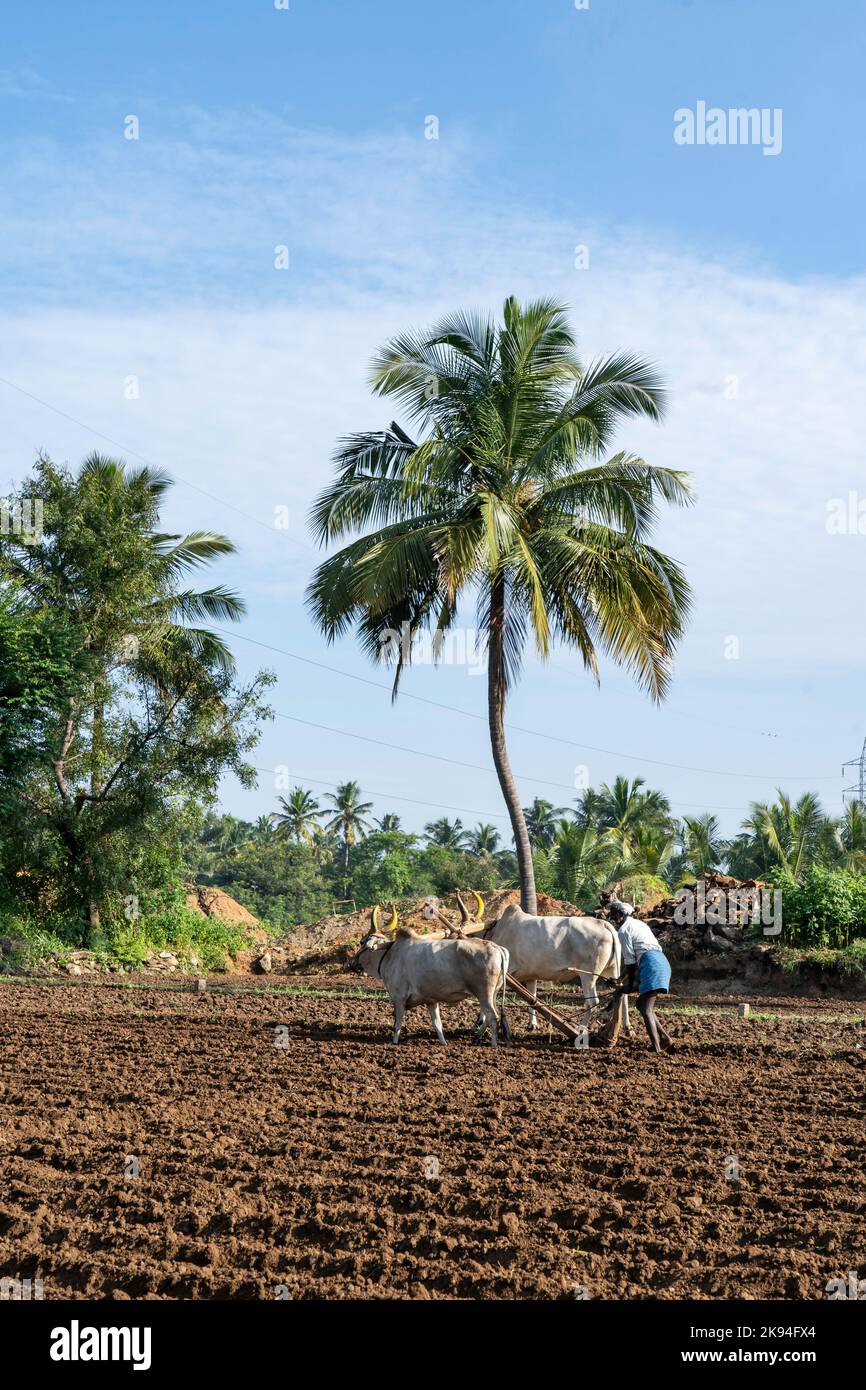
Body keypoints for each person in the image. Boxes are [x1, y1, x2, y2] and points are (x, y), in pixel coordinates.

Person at [614, 913, 673, 1054]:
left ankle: (656, 1047)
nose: (613, 918)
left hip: (651, 965)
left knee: (646, 1009)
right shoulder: (639, 924)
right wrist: (621, 980)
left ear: (620, 915)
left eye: (614, 915)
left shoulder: (623, 931)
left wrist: (626, 985)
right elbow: (633, 961)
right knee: (642, 1005)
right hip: (661, 961)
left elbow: (630, 961)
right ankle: (664, 1038)